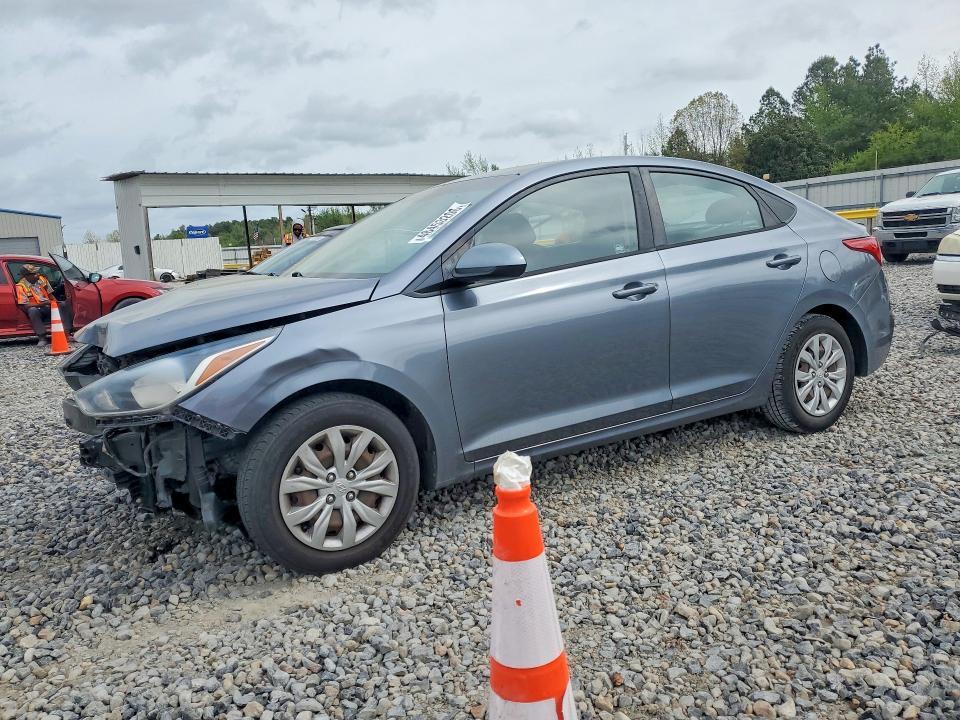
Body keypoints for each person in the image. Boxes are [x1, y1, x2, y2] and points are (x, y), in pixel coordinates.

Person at [15, 265, 72, 346]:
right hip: (37, 309)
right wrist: (43, 303)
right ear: (26, 276)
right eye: (34, 273)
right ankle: (42, 337)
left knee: (62, 304)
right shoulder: (20, 287)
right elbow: (25, 306)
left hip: (48, 306)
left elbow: (51, 295)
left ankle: (67, 334)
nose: (38, 274)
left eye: (37, 272)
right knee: (32, 310)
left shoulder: (42, 279)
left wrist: (55, 303)